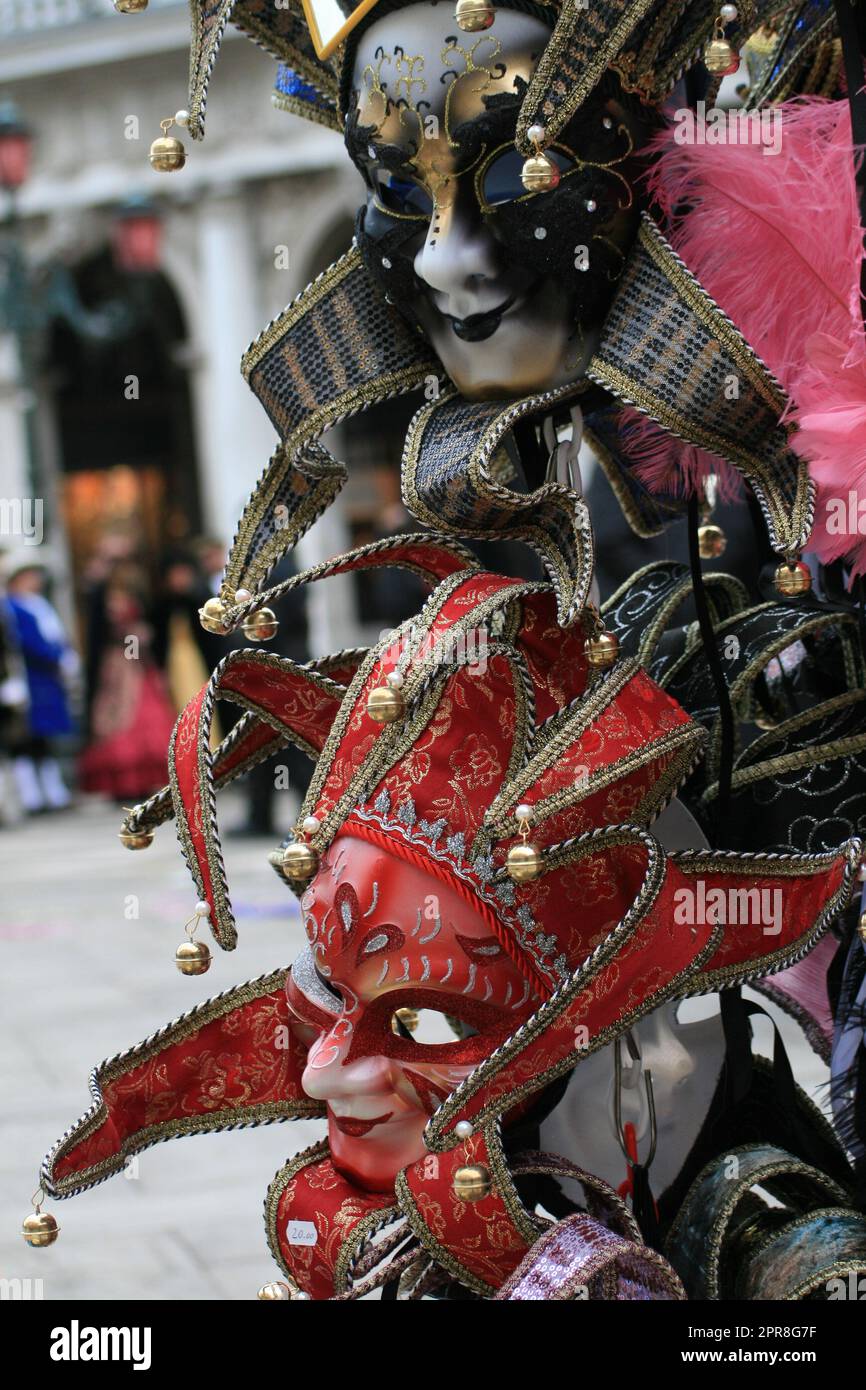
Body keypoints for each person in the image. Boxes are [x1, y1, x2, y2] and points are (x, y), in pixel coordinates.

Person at [33, 0, 866, 1302]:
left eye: (503, 173)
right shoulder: (539, 506)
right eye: (391, 187)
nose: (444, 266)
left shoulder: (791, 460)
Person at [77, 559, 176, 801]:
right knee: (124, 716)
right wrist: (136, 639)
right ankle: (132, 781)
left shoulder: (119, 599)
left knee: (134, 716)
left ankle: (136, 781)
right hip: (126, 664)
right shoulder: (114, 601)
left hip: (132, 663)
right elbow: (121, 633)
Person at [4, 559, 77, 814]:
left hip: (46, 677)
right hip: (28, 677)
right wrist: (53, 656)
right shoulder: (11, 606)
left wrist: (63, 655)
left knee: (44, 737)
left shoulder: (38, 604)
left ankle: (52, 792)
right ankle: (30, 796)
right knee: (24, 738)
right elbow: (25, 643)